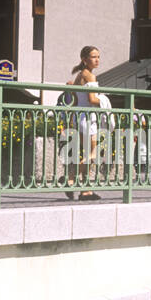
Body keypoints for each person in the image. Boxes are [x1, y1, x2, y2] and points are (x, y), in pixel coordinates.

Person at [64, 45, 101, 200]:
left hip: (79, 117)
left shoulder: (80, 75)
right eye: (93, 56)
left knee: (88, 153)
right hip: (87, 117)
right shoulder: (90, 76)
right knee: (94, 152)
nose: (97, 60)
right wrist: (105, 101)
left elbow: (74, 97)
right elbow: (92, 100)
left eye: (98, 56)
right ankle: (70, 179)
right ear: (84, 59)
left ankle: (85, 191)